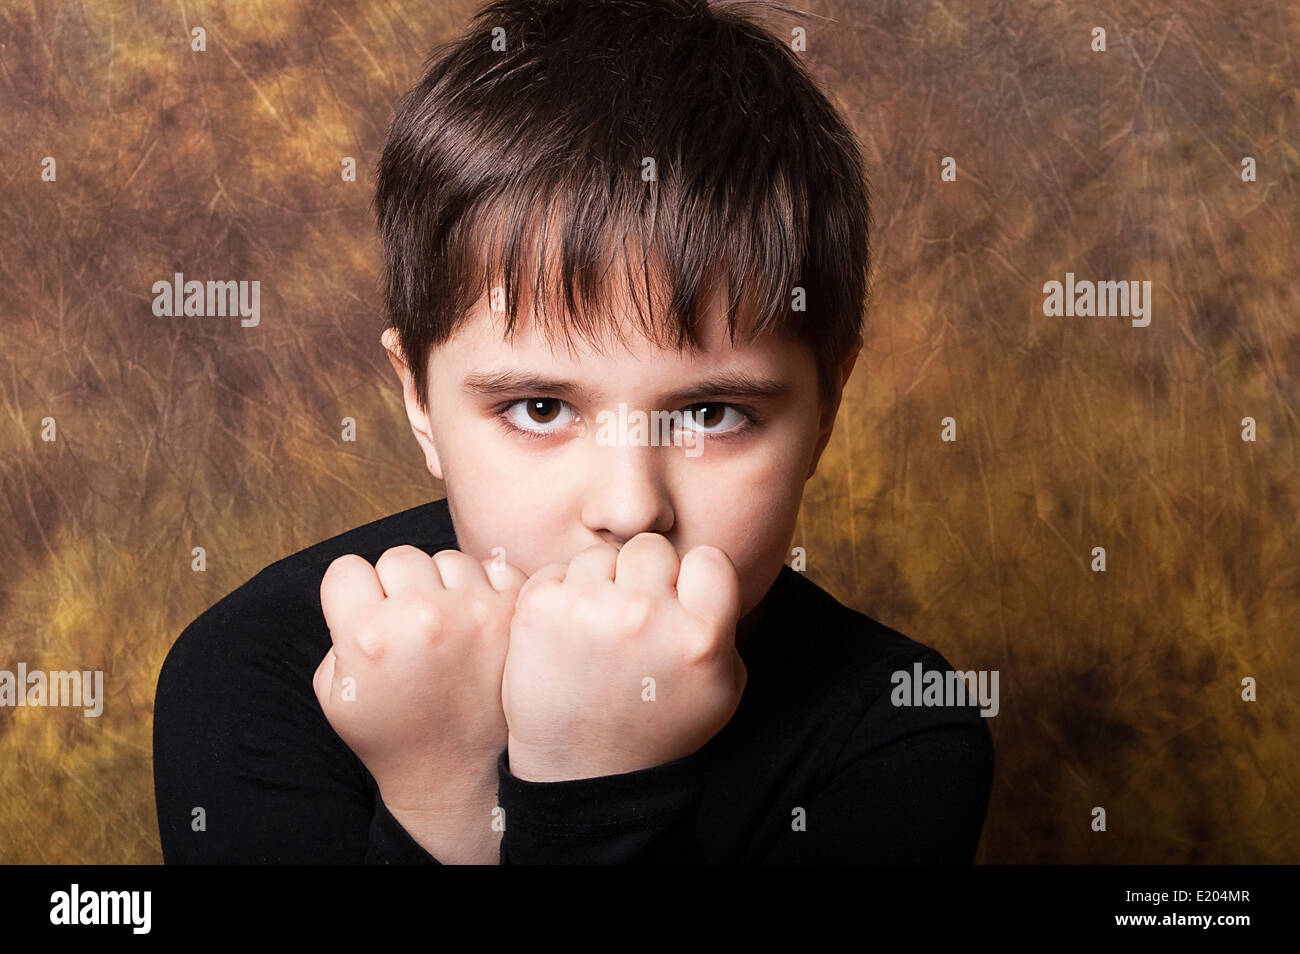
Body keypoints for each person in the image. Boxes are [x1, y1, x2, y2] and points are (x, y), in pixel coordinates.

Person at [153, 0, 993, 864]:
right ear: (418, 402)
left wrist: (588, 784)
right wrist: (442, 793)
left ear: (826, 414)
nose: (630, 509)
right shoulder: (254, 677)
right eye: (541, 409)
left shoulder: (898, 727)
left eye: (711, 414)